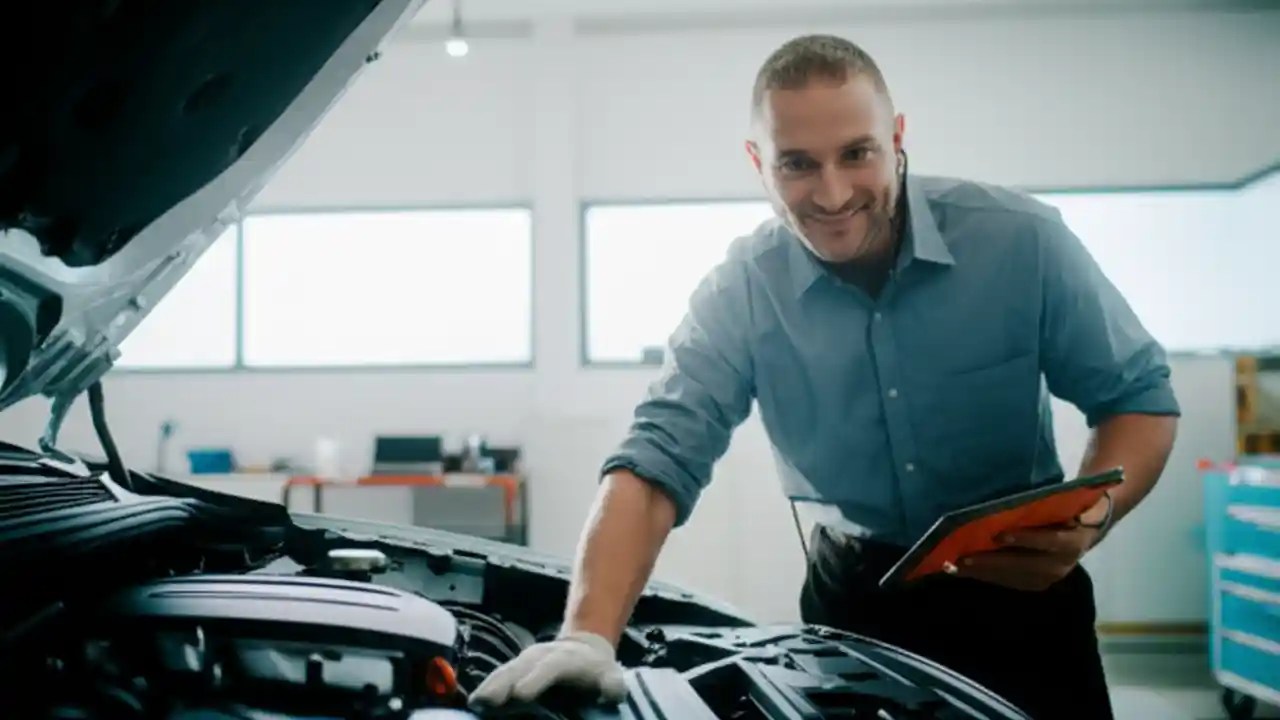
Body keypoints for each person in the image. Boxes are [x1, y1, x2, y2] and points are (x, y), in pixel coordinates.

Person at [470, 33, 1179, 719]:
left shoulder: (1022, 240)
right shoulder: (742, 289)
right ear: (758, 161)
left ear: (896, 137)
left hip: (1023, 591)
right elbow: (656, 462)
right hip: (855, 605)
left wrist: (1094, 518)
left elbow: (1138, 399)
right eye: (798, 164)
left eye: (857, 154)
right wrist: (587, 636)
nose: (833, 194)